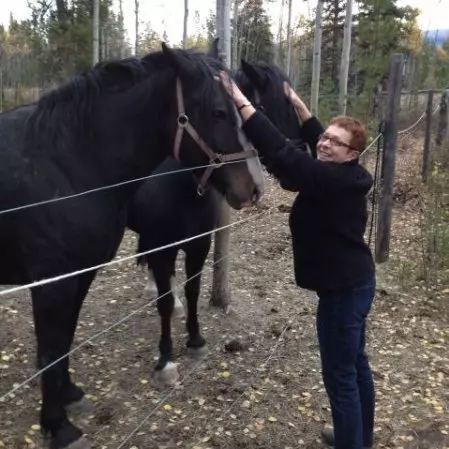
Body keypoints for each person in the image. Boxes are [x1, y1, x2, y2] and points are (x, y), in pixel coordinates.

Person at [220, 72, 376, 449]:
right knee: (355, 366)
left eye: (334, 143)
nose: (323, 144)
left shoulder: (328, 180)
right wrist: (302, 109)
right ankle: (359, 438)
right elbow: (318, 142)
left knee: (340, 378)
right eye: (324, 137)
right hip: (353, 285)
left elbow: (284, 156)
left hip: (343, 294)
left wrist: (242, 103)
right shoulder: (346, 173)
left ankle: (350, 443)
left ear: (351, 155)